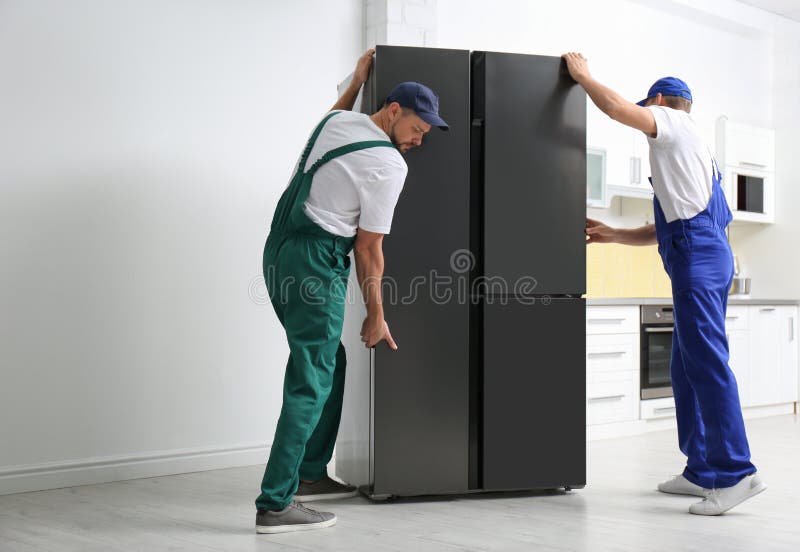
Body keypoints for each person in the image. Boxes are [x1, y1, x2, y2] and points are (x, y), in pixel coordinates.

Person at [255, 48, 449, 534]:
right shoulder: (388, 165)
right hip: (316, 260)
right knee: (311, 375)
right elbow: (368, 249)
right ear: (393, 111)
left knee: (325, 361)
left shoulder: (337, 125)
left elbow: (339, 110)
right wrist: (376, 314)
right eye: (417, 128)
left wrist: (357, 78)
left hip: (279, 251)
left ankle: (310, 473)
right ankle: (276, 502)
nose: (418, 140)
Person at [563, 52, 766, 516]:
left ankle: (736, 472)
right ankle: (701, 470)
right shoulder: (695, 153)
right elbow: (670, 224)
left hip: (698, 257)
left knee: (708, 364)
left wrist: (584, 76)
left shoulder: (671, 123)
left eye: (648, 108)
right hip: (703, 254)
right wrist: (614, 234)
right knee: (685, 367)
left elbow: (616, 108)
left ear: (658, 101)